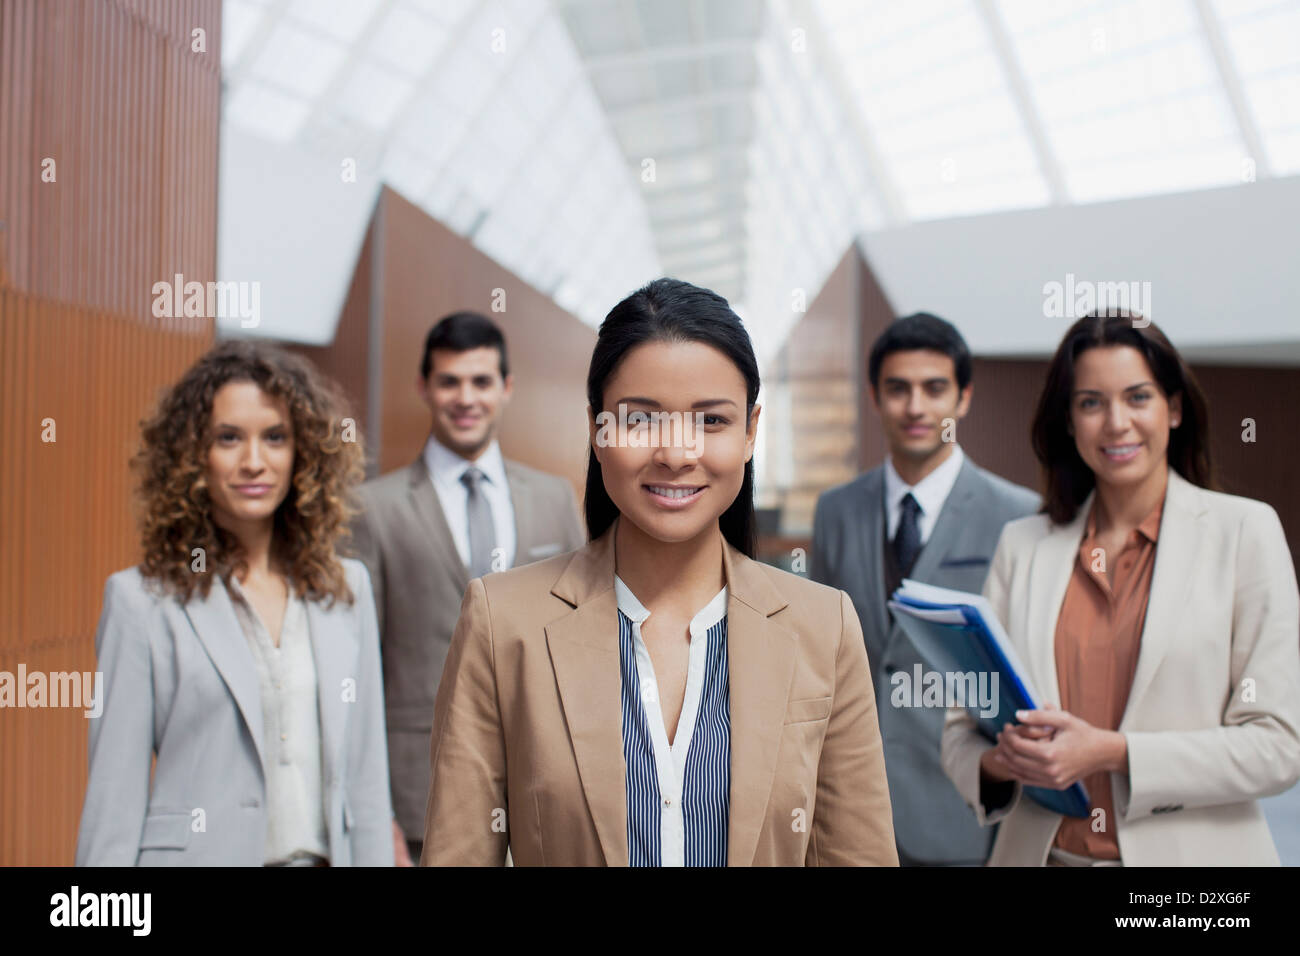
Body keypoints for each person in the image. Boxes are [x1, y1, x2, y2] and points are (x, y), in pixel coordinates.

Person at [420, 278, 897, 866]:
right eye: (640, 420)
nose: (675, 453)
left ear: (751, 432)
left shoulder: (824, 628)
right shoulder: (503, 624)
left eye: (711, 421)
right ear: (598, 430)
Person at [942, 312, 1300, 866]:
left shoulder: (1245, 533)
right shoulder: (1023, 544)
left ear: (1174, 408)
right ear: (1068, 420)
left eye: (1137, 397)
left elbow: (1279, 744)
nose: (1116, 422)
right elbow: (963, 730)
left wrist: (1113, 753)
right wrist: (1001, 763)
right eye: (1091, 403)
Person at [76, 341, 394, 866]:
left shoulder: (347, 590)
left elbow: (365, 781)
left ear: (303, 452)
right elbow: (114, 798)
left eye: (275, 438)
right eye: (228, 438)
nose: (254, 462)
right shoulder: (141, 603)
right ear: (193, 456)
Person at [349, 311, 584, 865]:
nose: (465, 397)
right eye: (449, 381)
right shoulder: (372, 510)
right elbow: (355, 670)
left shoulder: (554, 499)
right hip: (417, 799)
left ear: (505, 389)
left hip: (544, 791)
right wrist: (373, 814)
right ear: (424, 388)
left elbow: (582, 639)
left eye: (480, 381)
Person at [810, 313, 1039, 865]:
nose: (915, 407)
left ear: (963, 398)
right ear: (874, 397)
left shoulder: (1020, 517)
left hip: (960, 813)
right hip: (848, 808)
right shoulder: (836, 511)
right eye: (898, 389)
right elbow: (816, 654)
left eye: (934, 388)